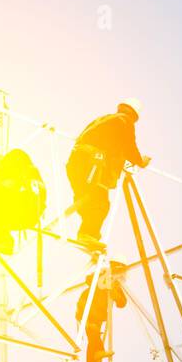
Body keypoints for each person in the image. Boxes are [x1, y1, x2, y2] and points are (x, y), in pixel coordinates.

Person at [67, 101, 150, 251]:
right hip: (91, 162)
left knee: (86, 198)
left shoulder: (106, 119)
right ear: (134, 116)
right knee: (101, 201)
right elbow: (129, 146)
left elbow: (114, 146)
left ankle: (89, 235)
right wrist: (140, 161)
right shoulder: (124, 121)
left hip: (76, 162)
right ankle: (87, 234)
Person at [75, 257, 127, 362]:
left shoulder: (115, 286)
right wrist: (103, 276)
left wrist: (114, 292)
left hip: (98, 314)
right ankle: (95, 359)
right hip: (88, 311)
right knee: (93, 333)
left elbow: (122, 302)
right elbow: (91, 281)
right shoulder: (98, 280)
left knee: (94, 336)